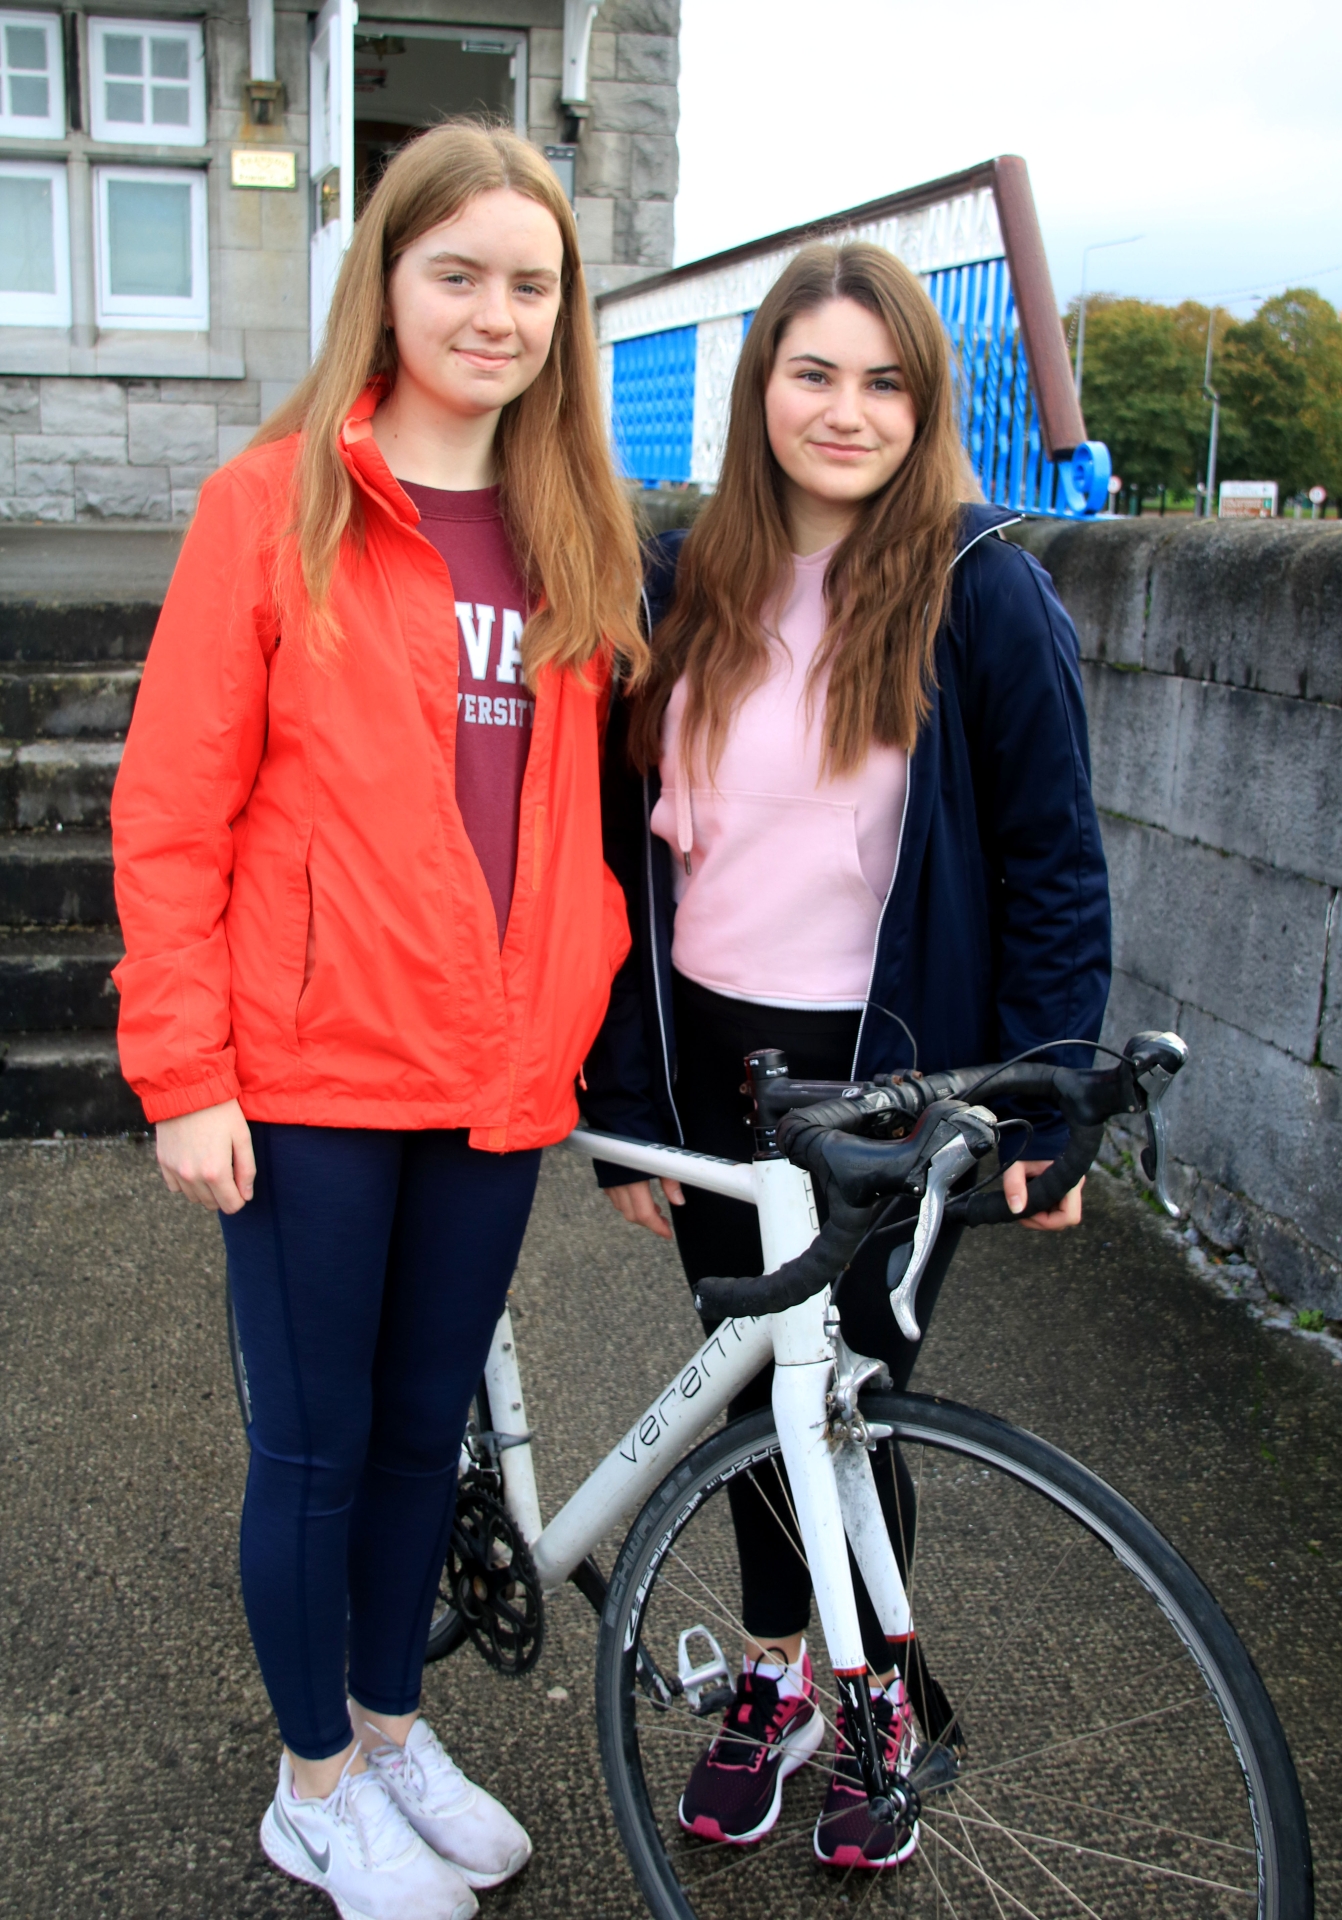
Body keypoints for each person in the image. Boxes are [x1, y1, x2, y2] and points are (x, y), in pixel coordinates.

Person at [111, 122, 644, 1920]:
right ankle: (311, 1785)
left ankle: (391, 1727)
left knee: (432, 1436)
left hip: (492, 1076)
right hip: (313, 1071)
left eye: (531, 283)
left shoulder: (576, 528)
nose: (495, 314)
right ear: (388, 285)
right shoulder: (273, 507)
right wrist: (185, 1074)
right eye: (457, 275)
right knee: (319, 1448)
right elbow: (173, 808)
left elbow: (580, 819)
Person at [581, 242, 1111, 1870]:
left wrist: (1052, 1103)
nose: (846, 409)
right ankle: (772, 1678)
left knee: (855, 1397)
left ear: (923, 404)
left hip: (885, 1080)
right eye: (811, 372)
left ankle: (868, 1681)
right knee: (752, 1385)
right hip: (710, 1065)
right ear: (759, 391)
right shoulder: (677, 582)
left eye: (883, 380)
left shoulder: (983, 590)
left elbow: (1052, 862)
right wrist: (618, 1106)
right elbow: (614, 854)